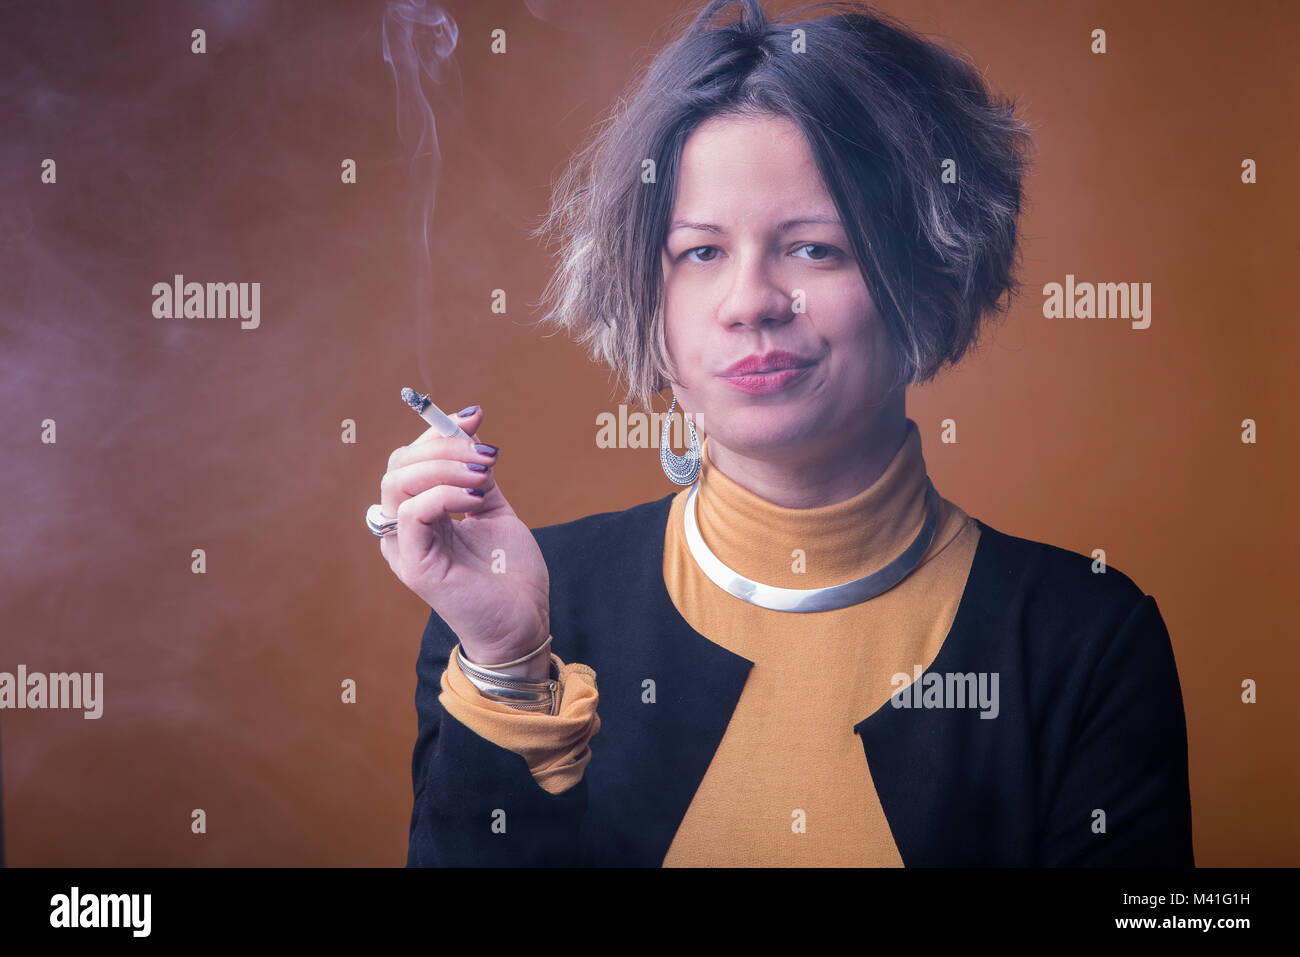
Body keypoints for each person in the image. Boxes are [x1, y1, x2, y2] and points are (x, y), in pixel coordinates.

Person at [376, 0, 1193, 866]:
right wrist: (510, 665)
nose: (751, 302)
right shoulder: (528, 614)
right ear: (647, 303)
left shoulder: (1086, 641)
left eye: (814, 248)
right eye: (700, 252)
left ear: (925, 270)